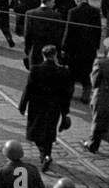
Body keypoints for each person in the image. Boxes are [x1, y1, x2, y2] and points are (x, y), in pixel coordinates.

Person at [18, 43, 73, 171]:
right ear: (55, 56)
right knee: (49, 131)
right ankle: (47, 154)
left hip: (37, 107)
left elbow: (28, 89)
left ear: (43, 56)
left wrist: (22, 105)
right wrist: (65, 112)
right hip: (54, 107)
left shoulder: (36, 70)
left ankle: (44, 155)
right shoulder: (63, 71)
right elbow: (66, 94)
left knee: (35, 132)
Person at [86, 35, 109, 154]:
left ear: (108, 49)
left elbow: (94, 81)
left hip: (103, 95)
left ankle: (93, 144)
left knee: (98, 120)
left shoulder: (101, 62)